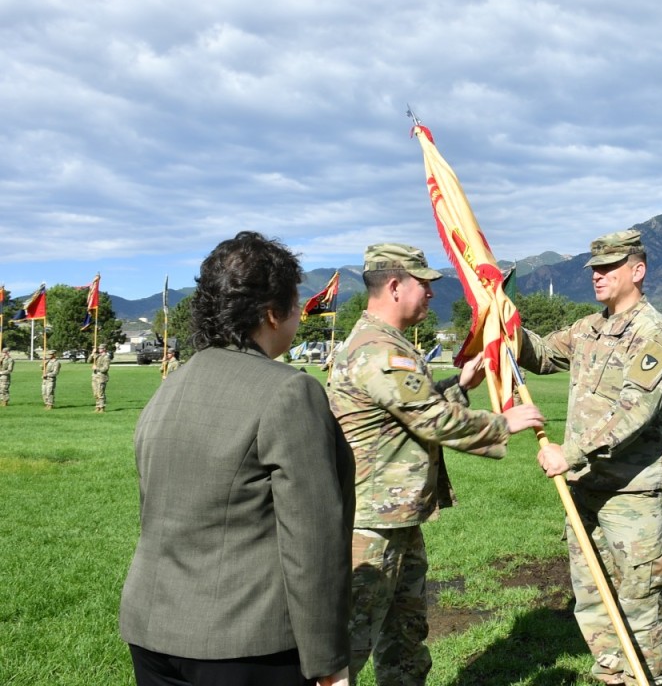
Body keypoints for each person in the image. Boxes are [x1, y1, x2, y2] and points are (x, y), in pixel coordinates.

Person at [119, 231, 354, 686]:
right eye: (295, 305)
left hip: (152, 629)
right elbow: (313, 539)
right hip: (246, 646)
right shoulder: (289, 391)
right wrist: (329, 662)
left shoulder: (171, 386)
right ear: (271, 312)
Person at [326, 243, 545, 686]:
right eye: (422, 283)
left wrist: (459, 386)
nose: (430, 293)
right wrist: (504, 422)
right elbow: (429, 418)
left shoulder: (386, 344)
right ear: (393, 285)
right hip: (372, 524)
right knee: (348, 648)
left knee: (404, 638)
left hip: (395, 518)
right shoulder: (377, 349)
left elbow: (407, 411)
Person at [518, 230, 662, 686]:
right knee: (592, 598)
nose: (597, 276)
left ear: (637, 270)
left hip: (634, 492)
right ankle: (612, 676)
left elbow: (636, 410)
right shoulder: (589, 328)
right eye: (595, 269)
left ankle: (644, 679)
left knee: (638, 603)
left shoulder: (654, 332)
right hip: (585, 488)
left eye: (608, 268)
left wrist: (569, 453)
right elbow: (543, 354)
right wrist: (505, 324)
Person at [89, 344, 111, 412]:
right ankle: (97, 406)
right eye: (99, 348)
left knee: (100, 392)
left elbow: (105, 368)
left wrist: (97, 368)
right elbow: (89, 361)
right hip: (95, 376)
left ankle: (102, 407)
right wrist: (92, 354)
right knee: (95, 393)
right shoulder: (97, 356)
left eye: (101, 348)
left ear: (104, 349)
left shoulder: (106, 357)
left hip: (101, 377)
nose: (99, 349)